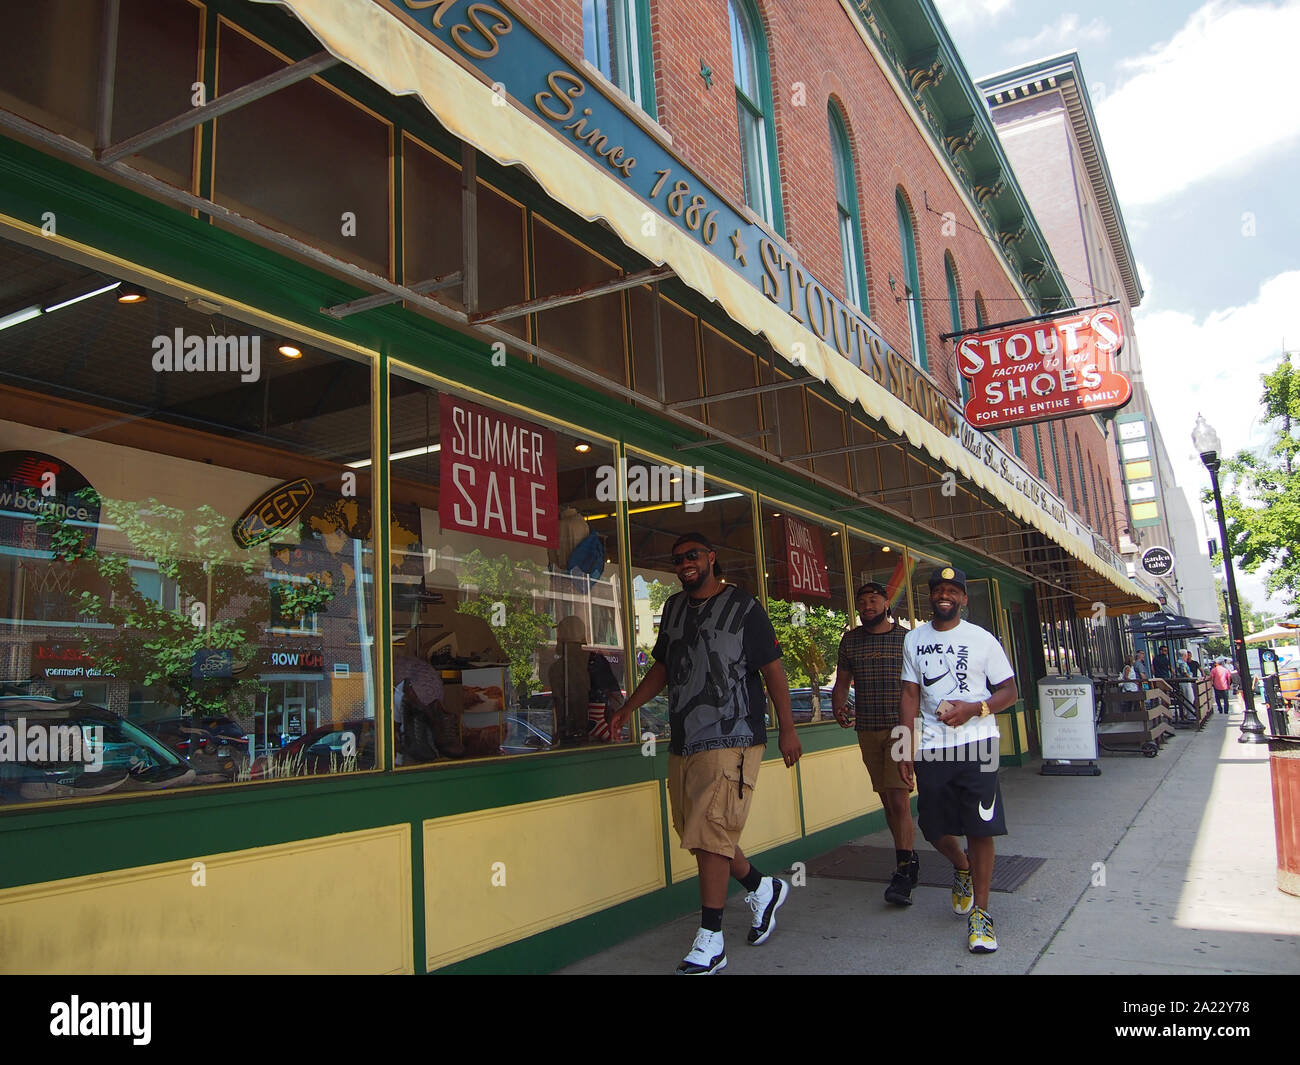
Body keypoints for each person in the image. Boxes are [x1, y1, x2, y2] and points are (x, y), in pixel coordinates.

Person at [608, 532, 801, 974]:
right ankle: (762, 888)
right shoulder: (674, 609)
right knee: (697, 831)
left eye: (692, 556)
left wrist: (788, 729)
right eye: (677, 559)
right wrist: (627, 709)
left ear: (711, 558)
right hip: (684, 736)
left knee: (711, 827)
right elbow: (662, 667)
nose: (684, 564)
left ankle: (711, 938)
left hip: (733, 734)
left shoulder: (745, 607)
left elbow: (773, 669)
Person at [900, 566, 1017, 955]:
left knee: (981, 828)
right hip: (932, 748)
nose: (944, 595)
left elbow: (1009, 691)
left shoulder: (982, 639)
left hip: (978, 745)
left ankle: (981, 915)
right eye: (938, 590)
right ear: (930, 597)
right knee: (933, 827)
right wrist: (903, 747)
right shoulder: (914, 639)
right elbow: (910, 698)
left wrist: (975, 708)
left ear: (964, 599)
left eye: (953, 590)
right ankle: (962, 867)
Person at [830, 581, 916, 905]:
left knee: (899, 799)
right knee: (886, 800)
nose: (867, 606)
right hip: (866, 729)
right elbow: (842, 681)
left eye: (873, 600)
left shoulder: (906, 638)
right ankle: (906, 858)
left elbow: (917, 686)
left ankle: (904, 869)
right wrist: (839, 705)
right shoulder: (851, 640)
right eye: (862, 601)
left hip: (898, 730)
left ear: (886, 604)